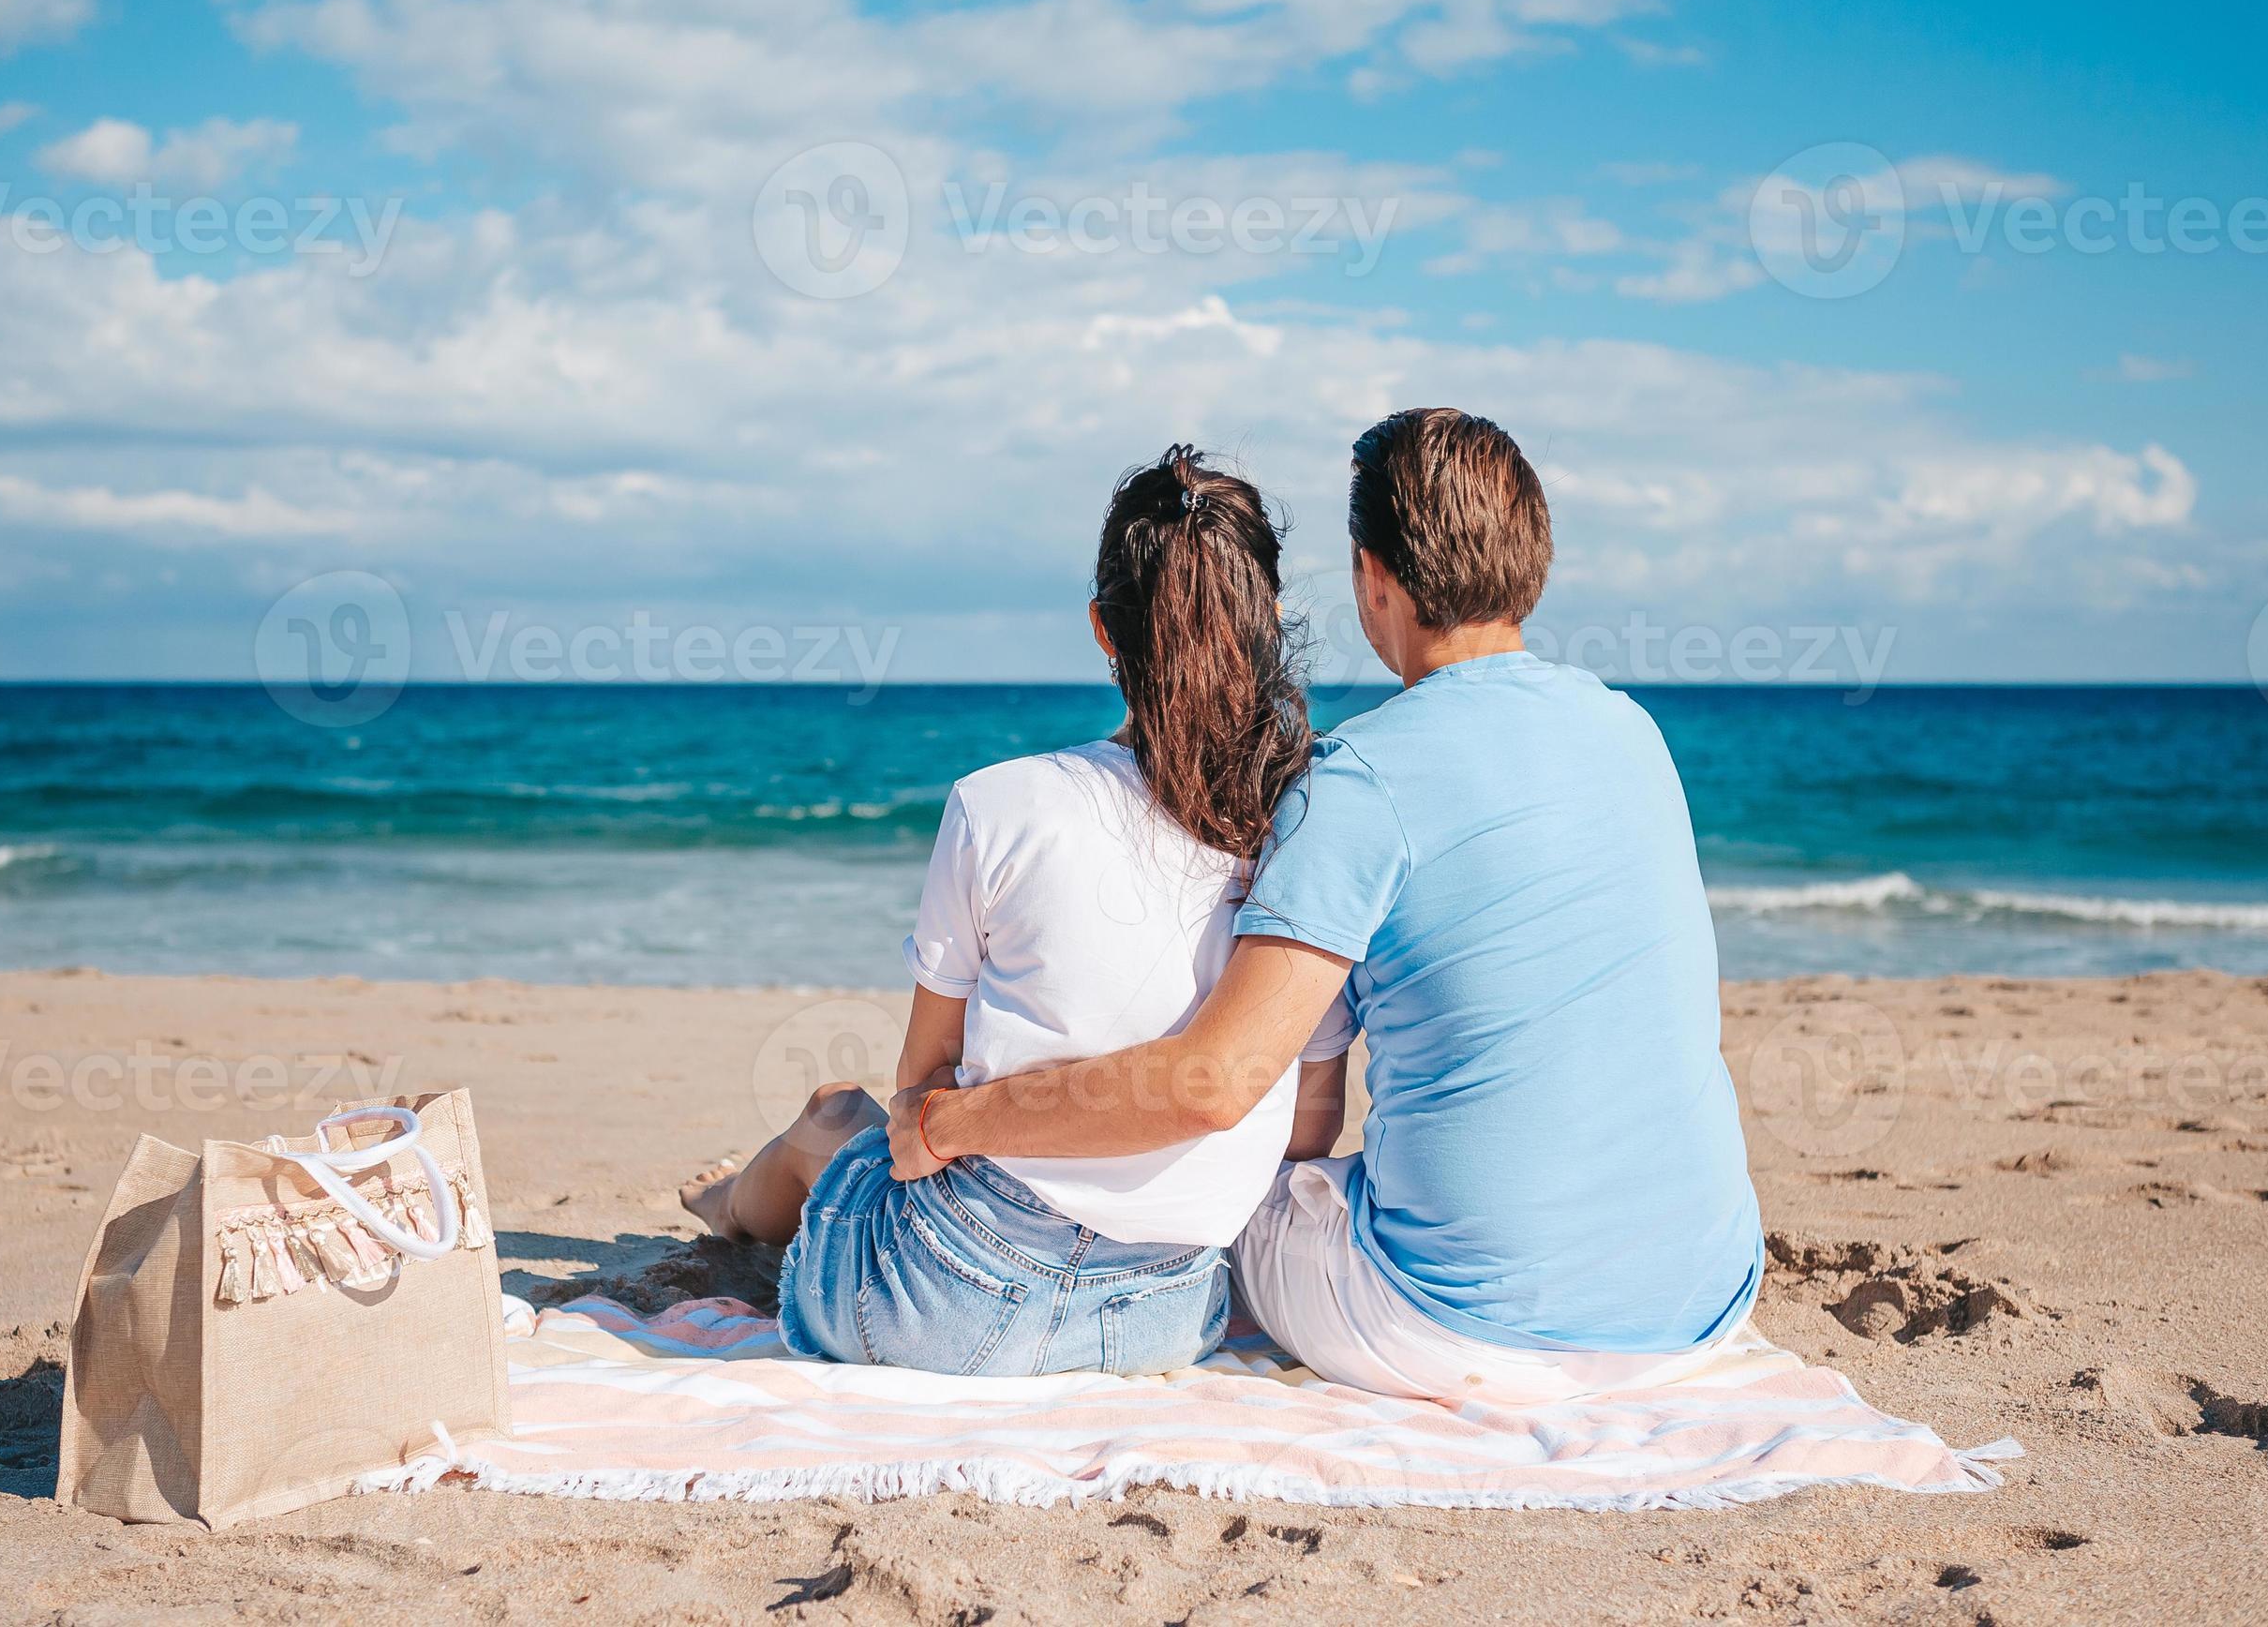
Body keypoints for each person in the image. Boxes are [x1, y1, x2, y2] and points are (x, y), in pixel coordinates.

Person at [885, 408, 1766, 1403]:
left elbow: (1217, 1084)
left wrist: (952, 1122)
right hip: (1702, 1293)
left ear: (1372, 575)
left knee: (1240, 1207)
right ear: (1535, 558)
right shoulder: (1632, 734)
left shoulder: (1362, 781)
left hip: (1460, 1327)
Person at [681, 445, 1335, 1376]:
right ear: (1269, 619)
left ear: (1105, 632)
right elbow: (1309, 1122)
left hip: (938, 1301)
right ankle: (741, 1198)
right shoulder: (1311, 842)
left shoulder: (1002, 802)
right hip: (1161, 1317)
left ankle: (730, 1211)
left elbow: (922, 1091)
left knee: (839, 1117)